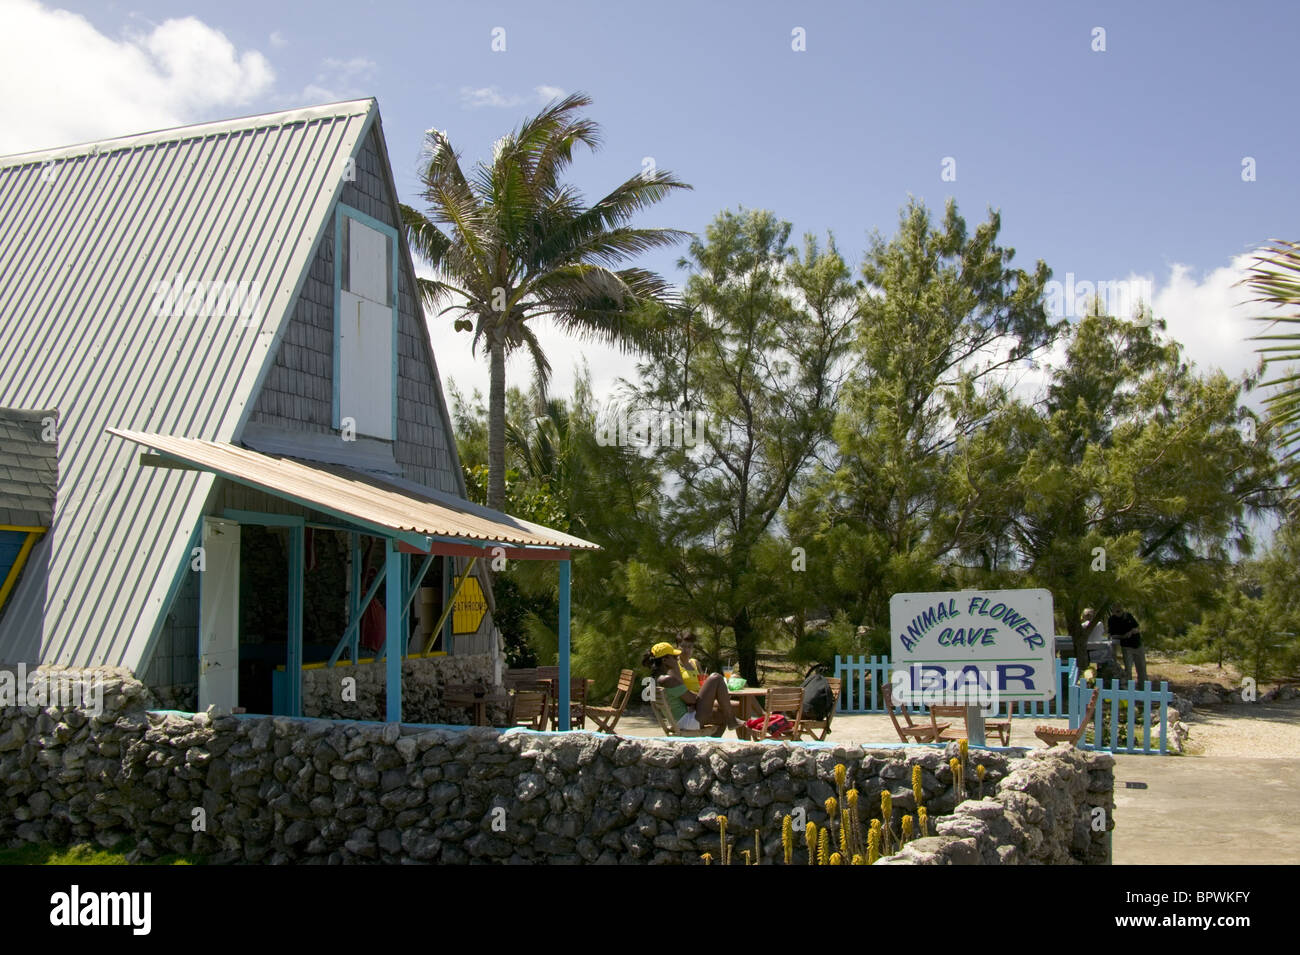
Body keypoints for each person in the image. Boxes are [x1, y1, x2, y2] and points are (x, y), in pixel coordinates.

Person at [643, 642, 739, 734]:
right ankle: (732, 720)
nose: (677, 659)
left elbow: (687, 699)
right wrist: (709, 694)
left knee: (721, 716)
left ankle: (724, 728)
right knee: (716, 677)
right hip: (687, 722)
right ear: (664, 660)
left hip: (678, 721)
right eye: (674, 657)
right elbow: (692, 700)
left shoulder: (656, 679)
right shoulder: (668, 680)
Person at [1107, 603, 1148, 688]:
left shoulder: (1128, 616)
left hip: (1137, 644)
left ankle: (1143, 687)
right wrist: (1123, 636)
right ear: (1113, 611)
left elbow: (1137, 628)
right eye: (1117, 610)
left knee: (1142, 668)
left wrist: (1132, 631)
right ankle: (1129, 688)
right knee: (1128, 669)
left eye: (1120, 609)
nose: (1119, 611)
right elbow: (1111, 635)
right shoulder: (1112, 620)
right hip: (1126, 646)